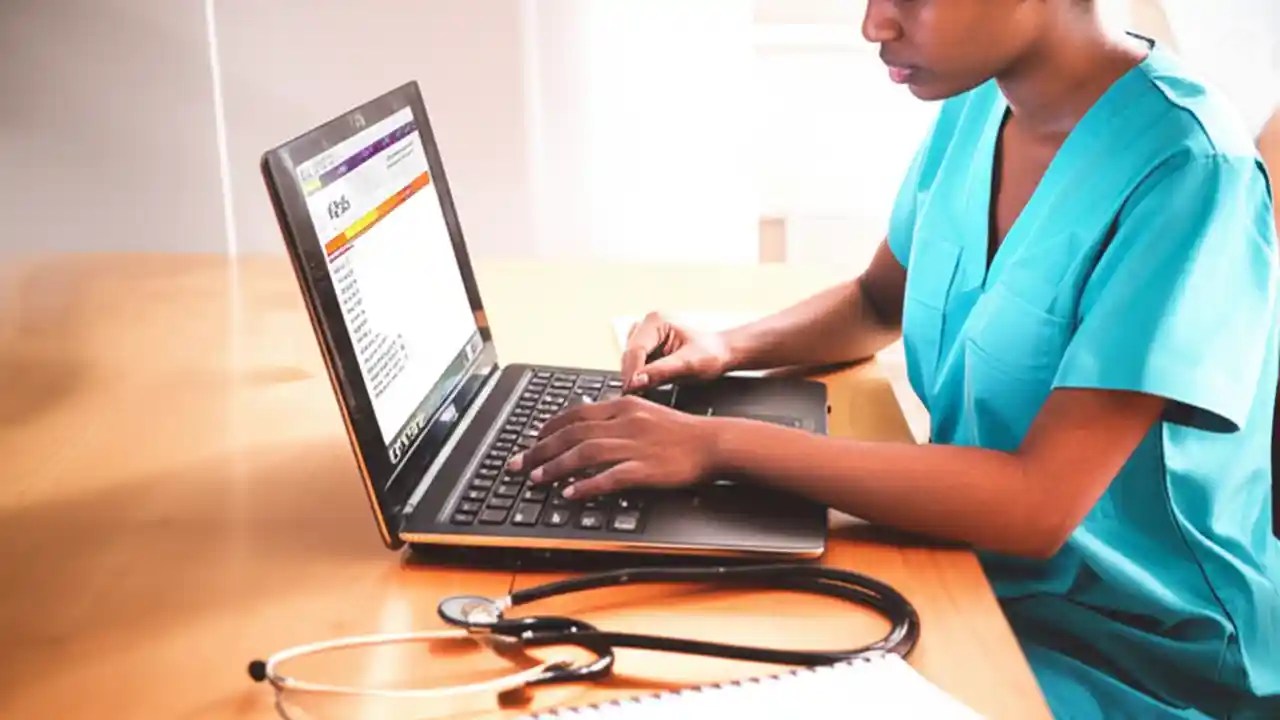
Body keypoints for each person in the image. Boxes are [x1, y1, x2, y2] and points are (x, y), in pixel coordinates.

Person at [508, 1, 1280, 717]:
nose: (874, 24)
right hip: (964, 571)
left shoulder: (1190, 172)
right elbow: (878, 300)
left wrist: (717, 445)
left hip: (1136, 653)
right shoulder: (979, 105)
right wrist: (728, 347)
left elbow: (1037, 505)